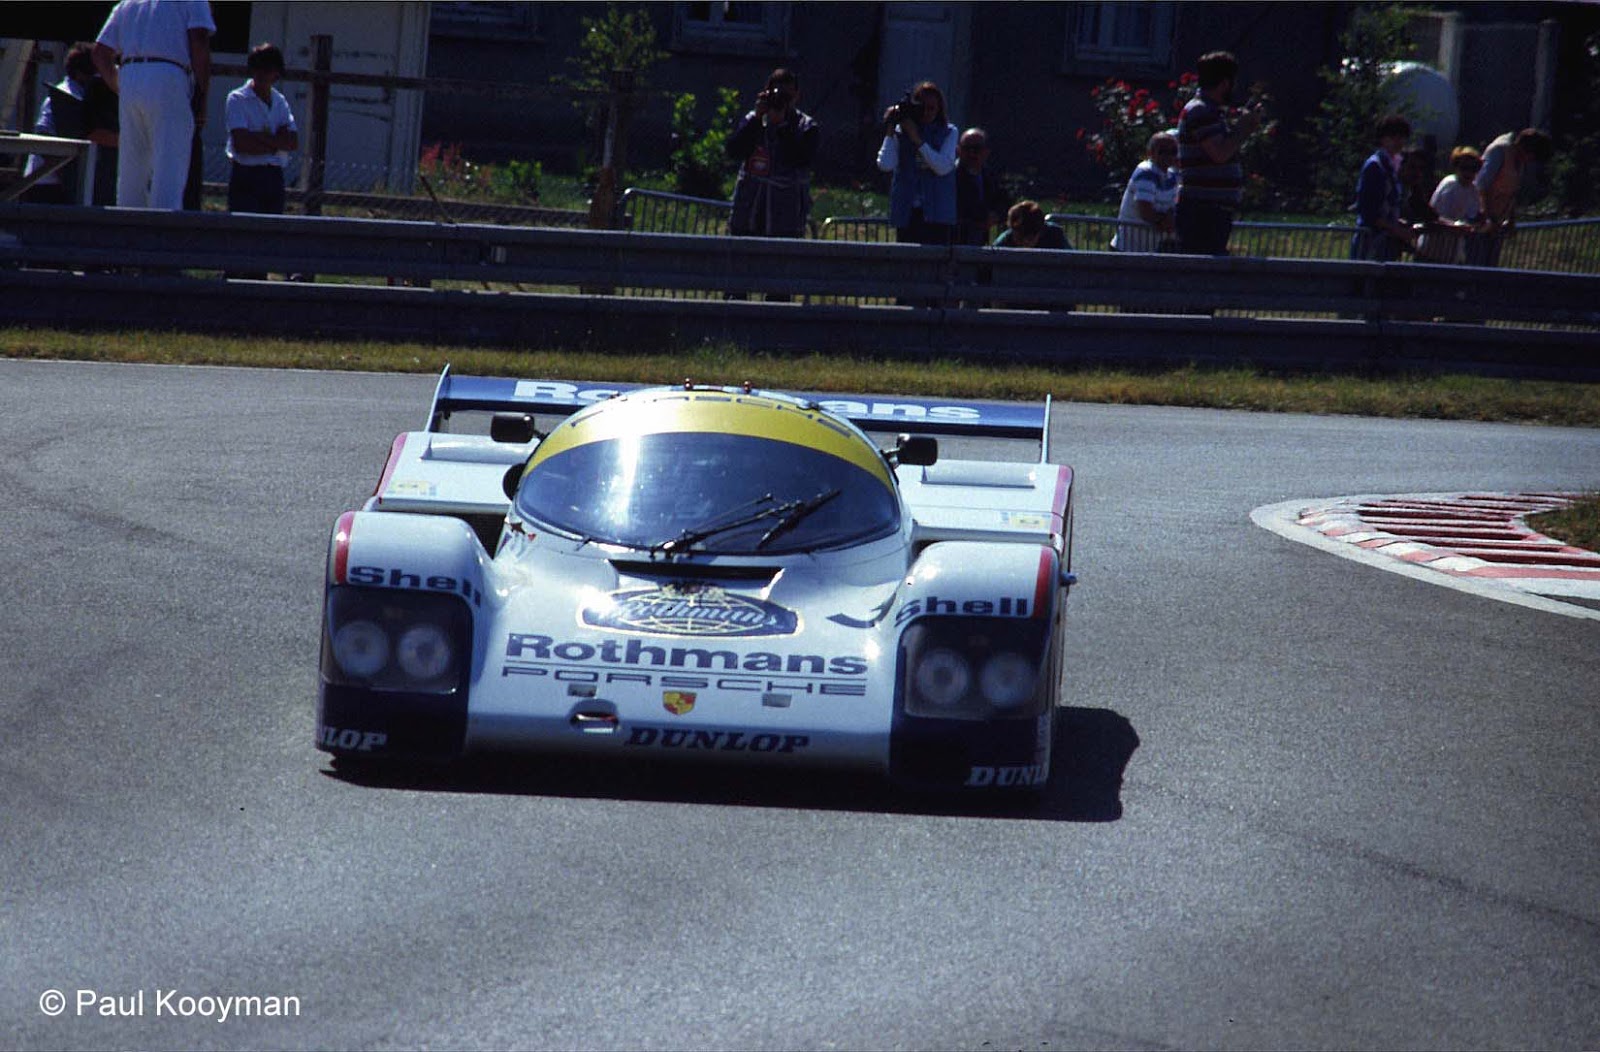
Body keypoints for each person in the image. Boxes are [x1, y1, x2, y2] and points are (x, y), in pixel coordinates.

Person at [92, 0, 215, 210]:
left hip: (129, 73)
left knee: (132, 167)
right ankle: (162, 231)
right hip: (169, 73)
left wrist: (121, 86)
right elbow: (199, 41)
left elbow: (100, 52)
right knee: (169, 164)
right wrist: (202, 95)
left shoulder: (129, 3)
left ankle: (127, 229)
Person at [1174, 50, 1262, 256]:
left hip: (1212, 210)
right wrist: (1244, 128)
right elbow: (1220, 153)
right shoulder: (1200, 111)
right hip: (1202, 211)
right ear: (1225, 83)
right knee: (1201, 273)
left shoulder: (1210, 111)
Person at [725, 68, 819, 239]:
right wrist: (757, 119)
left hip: (786, 218)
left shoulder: (806, 126)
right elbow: (734, 150)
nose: (780, 102)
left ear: (796, 96)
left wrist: (783, 127)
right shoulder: (754, 120)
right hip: (748, 214)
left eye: (786, 97)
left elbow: (800, 159)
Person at [22, 44, 120, 206]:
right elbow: (43, 133)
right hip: (45, 182)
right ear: (80, 73)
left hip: (69, 184)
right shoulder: (63, 95)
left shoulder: (89, 95)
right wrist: (61, 170)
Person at [876, 80, 959, 245]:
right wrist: (892, 129)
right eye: (922, 108)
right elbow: (885, 164)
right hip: (907, 212)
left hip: (937, 214)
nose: (926, 113)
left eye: (932, 108)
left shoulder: (949, 132)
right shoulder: (901, 133)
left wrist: (917, 140)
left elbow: (943, 167)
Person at [224, 43, 298, 216]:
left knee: (272, 235)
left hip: (273, 177)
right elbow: (242, 144)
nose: (262, 74)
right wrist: (275, 144)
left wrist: (258, 137)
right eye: (258, 68)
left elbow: (292, 141)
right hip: (246, 175)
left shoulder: (280, 101)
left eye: (268, 69)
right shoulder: (237, 99)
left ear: (276, 73)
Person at [1471, 127, 1554, 267]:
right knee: (1474, 265)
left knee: (1490, 267)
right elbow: (1482, 186)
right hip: (1479, 221)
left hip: (1496, 225)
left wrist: (1511, 220)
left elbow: (1512, 193)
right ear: (1526, 149)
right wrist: (1489, 217)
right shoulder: (1499, 151)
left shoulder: (1519, 161)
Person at [1350, 114, 1417, 262]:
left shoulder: (1394, 166)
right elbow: (1369, 211)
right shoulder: (1375, 166)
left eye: (1402, 137)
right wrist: (1397, 230)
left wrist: (1398, 222)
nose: (1398, 141)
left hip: (1386, 243)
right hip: (1370, 241)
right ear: (1382, 138)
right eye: (1393, 136)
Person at [1420, 146, 1489, 264]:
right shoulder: (1450, 185)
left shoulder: (1473, 189)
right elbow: (1436, 217)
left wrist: (1482, 221)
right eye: (1464, 168)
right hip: (1432, 250)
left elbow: (1474, 215)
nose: (1468, 173)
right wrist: (1456, 227)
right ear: (1456, 167)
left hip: (1452, 252)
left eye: (1473, 169)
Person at [1111, 132, 1179, 253]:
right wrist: (1165, 222)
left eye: (1173, 151)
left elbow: (1172, 209)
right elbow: (1145, 211)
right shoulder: (1145, 172)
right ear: (1150, 152)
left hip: (1150, 250)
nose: (1168, 155)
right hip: (1127, 250)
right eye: (1162, 151)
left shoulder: (1172, 177)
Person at [954, 128, 1009, 246]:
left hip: (982, 241)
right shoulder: (950, 177)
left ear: (986, 151)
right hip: (956, 240)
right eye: (966, 148)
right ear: (958, 150)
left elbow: (1003, 202)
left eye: (977, 148)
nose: (972, 153)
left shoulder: (991, 176)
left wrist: (995, 215)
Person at [992, 200, 1068, 249]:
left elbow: (1073, 261)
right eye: (1019, 238)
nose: (1024, 244)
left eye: (1029, 238)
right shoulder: (1003, 244)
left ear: (1040, 231)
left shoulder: (1055, 235)